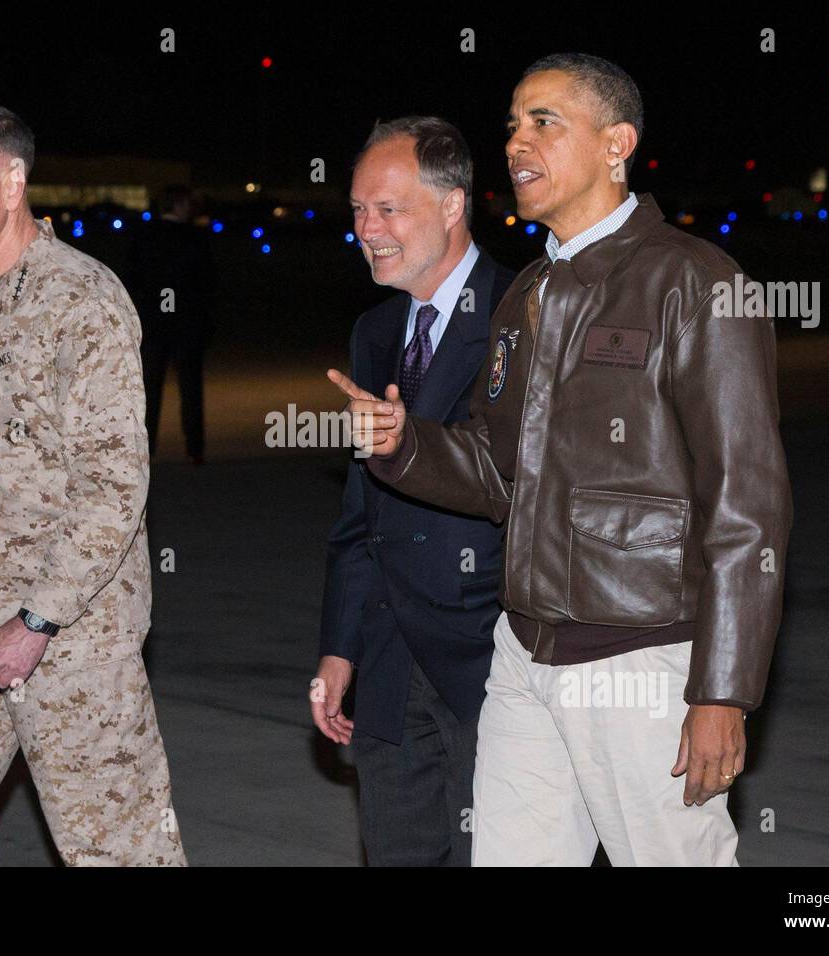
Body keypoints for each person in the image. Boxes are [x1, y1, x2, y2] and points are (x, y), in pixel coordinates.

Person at [330, 53, 793, 866]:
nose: (516, 141)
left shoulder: (695, 281)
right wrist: (406, 448)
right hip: (525, 655)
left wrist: (722, 689)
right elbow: (498, 472)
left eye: (545, 121)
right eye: (512, 122)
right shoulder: (529, 293)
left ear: (617, 144)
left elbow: (746, 504)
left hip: (642, 657)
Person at [0, 101, 186, 866]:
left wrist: (38, 621)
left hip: (73, 628)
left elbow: (115, 485)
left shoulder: (83, 300)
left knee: (116, 845)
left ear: (12, 182)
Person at [312, 117, 514, 865]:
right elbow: (362, 513)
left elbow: (526, 483)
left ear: (453, 205)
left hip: (492, 666)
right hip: (392, 665)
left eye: (389, 209)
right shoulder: (375, 330)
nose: (368, 229)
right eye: (359, 211)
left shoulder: (520, 314)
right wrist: (340, 649)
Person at [127, 184, 217, 464]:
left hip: (154, 325)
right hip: (186, 326)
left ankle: (146, 449)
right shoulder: (195, 238)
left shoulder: (145, 236)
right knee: (190, 389)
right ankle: (195, 448)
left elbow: (134, 280)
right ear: (180, 205)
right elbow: (206, 283)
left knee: (149, 391)